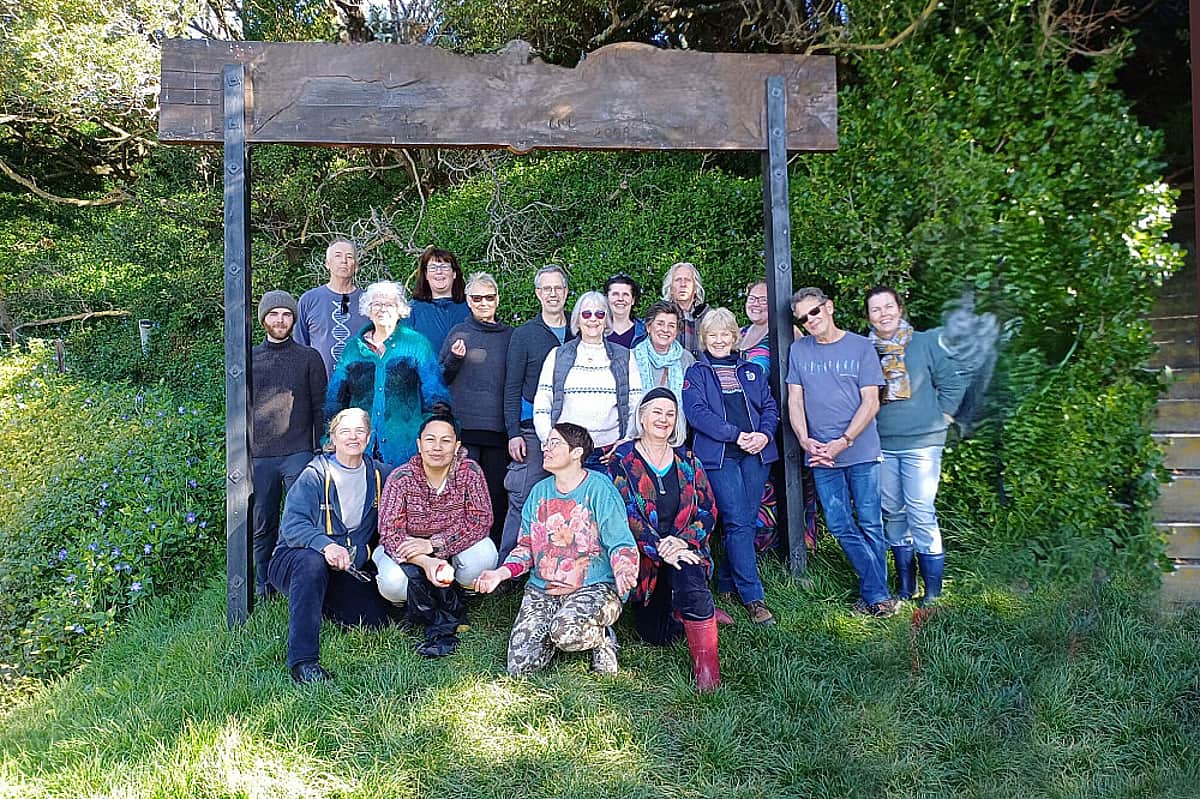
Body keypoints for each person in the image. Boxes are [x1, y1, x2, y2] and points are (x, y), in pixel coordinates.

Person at [475, 423, 638, 676]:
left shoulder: (600, 489)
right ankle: (556, 627)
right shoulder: (539, 492)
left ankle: (601, 638)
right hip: (544, 589)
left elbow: (620, 542)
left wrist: (624, 570)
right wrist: (500, 573)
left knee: (567, 634)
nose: (545, 449)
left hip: (593, 586)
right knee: (520, 667)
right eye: (546, 443)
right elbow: (526, 547)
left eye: (555, 443)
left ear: (576, 453)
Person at [786, 287, 897, 618]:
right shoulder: (799, 350)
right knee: (838, 523)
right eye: (802, 318)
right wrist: (805, 440)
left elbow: (871, 402)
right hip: (821, 454)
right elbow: (795, 400)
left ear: (829, 307)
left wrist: (844, 441)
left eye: (814, 312)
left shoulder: (861, 347)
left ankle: (875, 595)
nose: (810, 320)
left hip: (860, 451)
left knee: (870, 523)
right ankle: (879, 592)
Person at [268, 408, 393, 683]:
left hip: (345, 568)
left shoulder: (381, 475)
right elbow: (292, 526)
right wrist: (326, 546)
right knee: (312, 564)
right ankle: (303, 662)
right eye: (345, 431)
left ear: (369, 437)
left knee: (375, 621)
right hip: (295, 559)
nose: (353, 437)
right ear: (332, 438)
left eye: (360, 431)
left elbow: (413, 480)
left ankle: (316, 601)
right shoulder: (313, 475)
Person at [608, 388, 720, 691]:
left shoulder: (688, 460)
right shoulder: (622, 460)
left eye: (670, 414)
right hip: (647, 558)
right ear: (642, 417)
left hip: (684, 549)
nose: (664, 419)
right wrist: (660, 547)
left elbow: (708, 509)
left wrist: (682, 542)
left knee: (689, 573)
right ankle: (693, 612)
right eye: (657, 412)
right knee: (656, 636)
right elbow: (624, 514)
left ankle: (707, 671)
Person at [866, 286, 967, 605]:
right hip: (882, 443)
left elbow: (954, 382)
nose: (883, 314)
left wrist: (943, 417)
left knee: (921, 510)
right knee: (893, 512)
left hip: (922, 443)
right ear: (868, 316)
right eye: (875, 309)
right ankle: (905, 587)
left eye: (888, 306)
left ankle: (932, 592)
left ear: (900, 308)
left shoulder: (924, 343)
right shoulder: (865, 350)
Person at [682, 308, 779, 625]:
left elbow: (769, 407)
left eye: (725, 334)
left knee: (745, 521)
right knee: (738, 520)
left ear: (735, 336)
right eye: (713, 335)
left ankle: (727, 581)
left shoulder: (750, 370)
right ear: (704, 338)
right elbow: (697, 414)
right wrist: (736, 435)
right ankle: (753, 597)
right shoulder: (696, 373)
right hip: (720, 456)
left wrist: (764, 435)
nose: (720, 340)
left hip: (756, 454)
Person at [373, 414, 499, 657]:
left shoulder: (470, 472)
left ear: (457, 445)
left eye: (445, 440)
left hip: (450, 547)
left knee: (484, 554)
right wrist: (425, 561)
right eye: (430, 440)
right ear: (419, 444)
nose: (437, 447)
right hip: (406, 550)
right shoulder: (401, 478)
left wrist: (433, 545)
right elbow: (389, 533)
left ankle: (464, 591)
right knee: (392, 583)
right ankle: (406, 602)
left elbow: (481, 520)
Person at [251, 290, 327, 599]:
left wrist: (322, 446)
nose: (280, 320)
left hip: (299, 451)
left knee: (302, 521)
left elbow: (321, 405)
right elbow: (238, 408)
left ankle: (299, 583)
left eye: (286, 314)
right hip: (260, 455)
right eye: (274, 314)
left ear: (294, 320)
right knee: (262, 523)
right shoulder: (249, 359)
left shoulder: (309, 357)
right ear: (263, 320)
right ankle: (263, 583)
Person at [325, 280, 451, 466]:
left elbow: (435, 398)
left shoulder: (417, 345)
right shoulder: (353, 349)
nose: (382, 309)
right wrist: (329, 436)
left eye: (389, 304)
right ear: (368, 309)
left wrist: (430, 436)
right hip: (359, 447)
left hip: (404, 447)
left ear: (400, 310)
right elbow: (335, 399)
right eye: (376, 304)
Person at [501, 264, 573, 562]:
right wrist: (514, 432)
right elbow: (511, 387)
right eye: (547, 289)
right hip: (533, 431)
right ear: (538, 293)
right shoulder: (525, 335)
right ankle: (506, 568)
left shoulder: (580, 330)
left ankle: (557, 565)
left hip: (573, 432)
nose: (553, 294)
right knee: (524, 496)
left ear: (566, 292)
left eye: (558, 288)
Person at [737, 279, 814, 553]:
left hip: (779, 420)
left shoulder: (787, 331)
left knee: (785, 483)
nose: (756, 304)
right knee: (757, 486)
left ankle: (794, 548)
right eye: (752, 298)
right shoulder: (739, 333)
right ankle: (760, 547)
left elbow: (807, 374)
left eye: (763, 299)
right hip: (747, 422)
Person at [439, 272, 513, 548]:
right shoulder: (458, 333)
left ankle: (493, 554)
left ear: (498, 299)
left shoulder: (511, 336)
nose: (483, 303)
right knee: (461, 495)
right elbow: (440, 379)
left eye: (489, 297)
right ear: (468, 301)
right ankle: (459, 551)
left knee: (496, 496)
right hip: (465, 430)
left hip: (498, 430)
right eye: (477, 298)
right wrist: (454, 359)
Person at [533, 292, 644, 471]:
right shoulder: (557, 355)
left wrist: (626, 441)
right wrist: (549, 440)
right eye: (586, 314)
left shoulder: (625, 357)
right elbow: (543, 402)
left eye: (599, 314)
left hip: (608, 453)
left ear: (606, 320)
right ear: (577, 320)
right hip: (566, 452)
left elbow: (636, 404)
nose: (593, 319)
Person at [296, 238, 371, 377]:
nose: (344, 261)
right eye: (338, 255)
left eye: (349, 256)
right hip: (320, 384)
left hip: (361, 384)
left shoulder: (369, 301)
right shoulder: (309, 300)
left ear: (356, 266)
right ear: (327, 263)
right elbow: (300, 348)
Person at [631, 300, 694, 443]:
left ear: (677, 331)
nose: (665, 330)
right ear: (648, 327)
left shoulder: (687, 359)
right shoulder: (632, 357)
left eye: (671, 325)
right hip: (638, 436)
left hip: (674, 436)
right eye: (660, 324)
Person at [408, 246, 470, 353]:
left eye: (444, 267)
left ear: (454, 273)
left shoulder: (470, 307)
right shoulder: (412, 310)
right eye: (433, 268)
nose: (439, 271)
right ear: (426, 275)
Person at [661, 261, 709, 358]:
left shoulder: (709, 317)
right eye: (678, 280)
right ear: (670, 288)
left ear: (695, 288)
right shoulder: (660, 316)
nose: (683, 284)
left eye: (687, 280)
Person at [604, 273, 646, 349]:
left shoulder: (645, 331)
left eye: (625, 294)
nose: (620, 299)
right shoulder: (597, 329)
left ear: (633, 300)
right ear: (607, 298)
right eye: (615, 294)